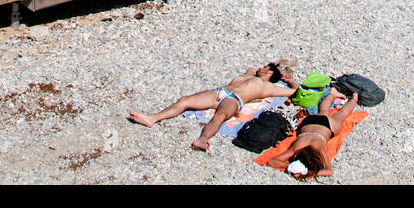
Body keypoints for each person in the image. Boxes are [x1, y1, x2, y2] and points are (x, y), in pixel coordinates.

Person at [128, 63, 300, 151]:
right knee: (185, 100)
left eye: (265, 68)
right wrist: (264, 69)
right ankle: (152, 118)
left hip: (235, 100)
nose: (260, 68)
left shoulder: (268, 87)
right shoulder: (250, 75)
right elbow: (251, 68)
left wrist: (286, 79)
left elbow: (294, 91)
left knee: (219, 116)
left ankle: (202, 139)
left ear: (270, 73)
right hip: (220, 92)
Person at [265, 91, 361, 179]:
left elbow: (328, 171)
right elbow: (272, 162)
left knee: (342, 114)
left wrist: (307, 171)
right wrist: (293, 167)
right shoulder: (296, 148)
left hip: (325, 127)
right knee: (324, 111)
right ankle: (334, 94)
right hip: (308, 123)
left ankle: (353, 98)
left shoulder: (319, 150)